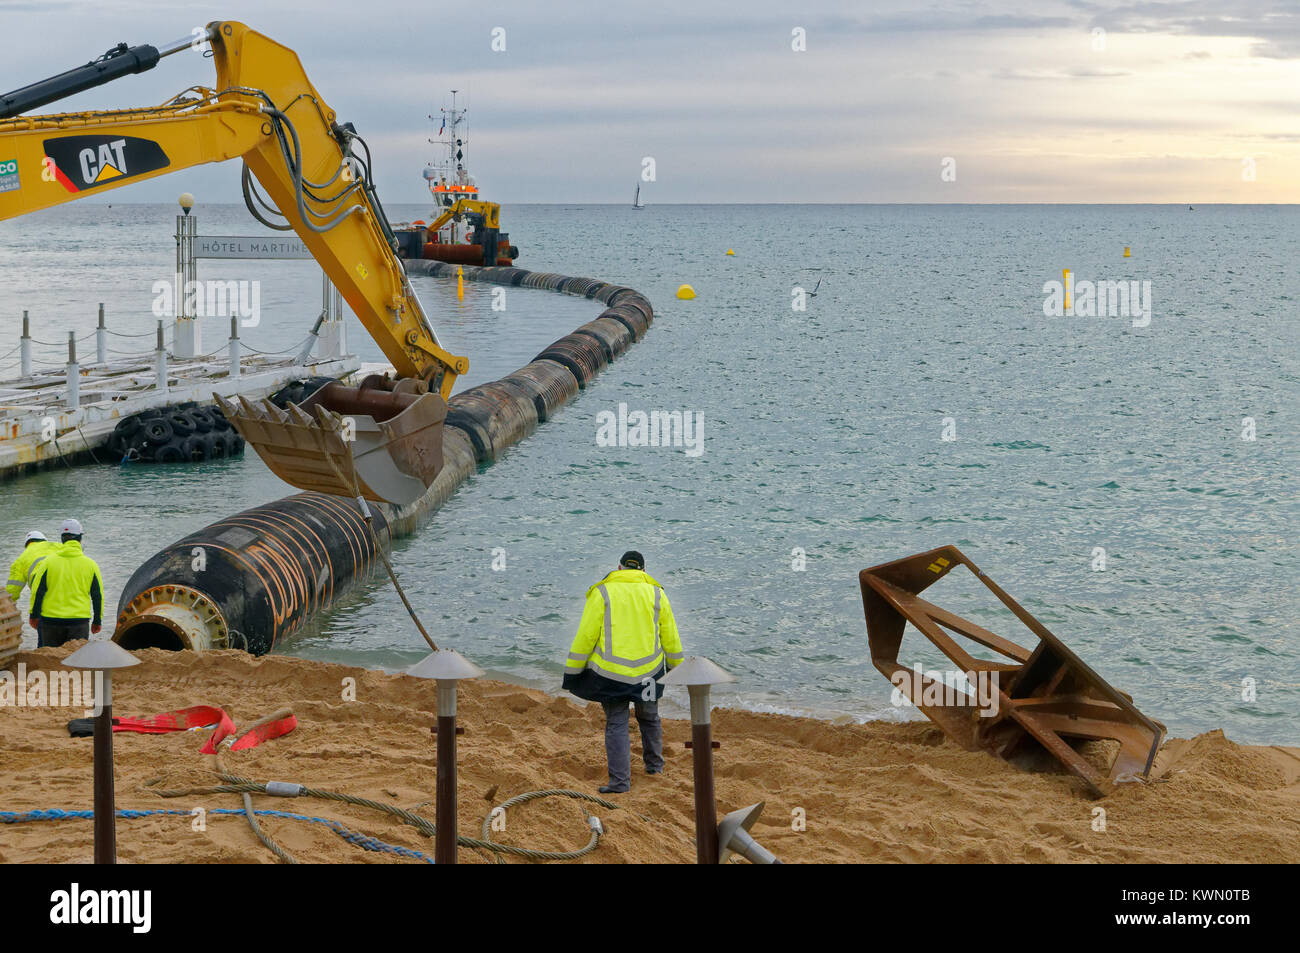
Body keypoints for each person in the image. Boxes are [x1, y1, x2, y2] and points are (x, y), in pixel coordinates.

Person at [563, 551, 684, 794]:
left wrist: (573, 672)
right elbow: (670, 637)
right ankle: (655, 767)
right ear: (643, 571)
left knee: (617, 723)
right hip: (649, 674)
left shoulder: (603, 592)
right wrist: (676, 668)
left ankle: (620, 783)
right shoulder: (657, 593)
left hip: (611, 675)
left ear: (619, 567)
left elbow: (586, 636)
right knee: (650, 718)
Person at [28, 518, 104, 648]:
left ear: (62, 539)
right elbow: (97, 595)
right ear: (80, 538)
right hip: (79, 622)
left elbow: (37, 591)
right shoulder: (91, 565)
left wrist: (34, 615)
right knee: (76, 663)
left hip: (50, 621)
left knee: (51, 662)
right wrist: (97, 620)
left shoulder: (47, 562)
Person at [6, 530, 59, 608]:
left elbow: (12, 590)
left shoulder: (21, 559)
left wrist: (5, 604)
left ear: (27, 545)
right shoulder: (59, 546)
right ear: (44, 540)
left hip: (41, 593)